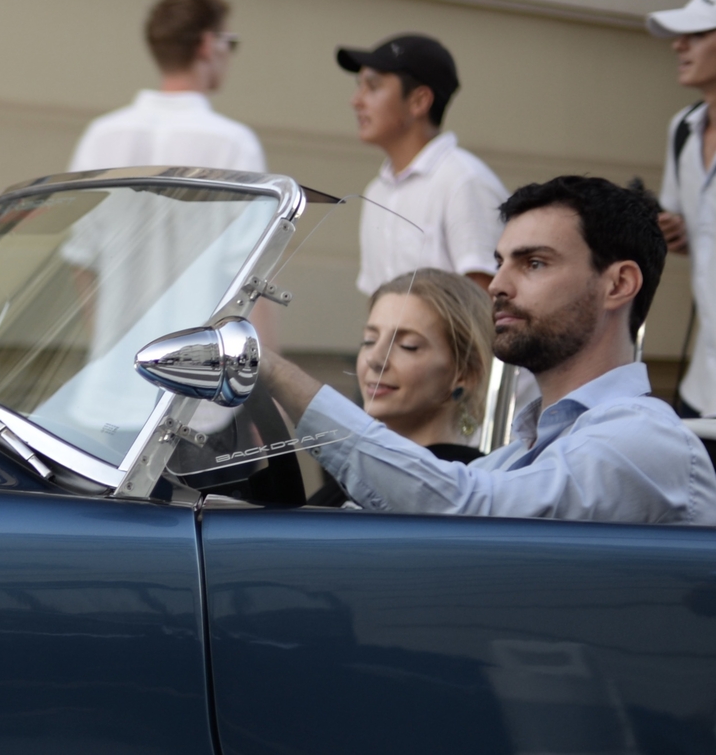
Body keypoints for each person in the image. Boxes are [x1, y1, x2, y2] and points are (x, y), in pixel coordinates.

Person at [260, 176, 716, 524]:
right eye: (500, 263)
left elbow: (468, 508)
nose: (497, 285)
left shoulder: (645, 439)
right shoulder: (519, 453)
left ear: (619, 284)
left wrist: (275, 373)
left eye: (534, 263)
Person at [306, 270, 492, 509]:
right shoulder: (349, 478)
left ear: (465, 372)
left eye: (408, 346)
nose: (375, 359)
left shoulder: (466, 491)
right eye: (369, 340)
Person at [338, 34, 506, 293]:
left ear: (419, 101)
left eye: (372, 87)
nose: (356, 100)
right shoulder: (376, 191)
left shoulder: (464, 181)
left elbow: (486, 301)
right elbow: (378, 303)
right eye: (358, 86)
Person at [67, 0, 264, 173]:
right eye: (230, 42)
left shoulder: (101, 134)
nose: (230, 54)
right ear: (207, 44)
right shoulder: (234, 142)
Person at [648, 0, 716, 414]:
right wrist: (677, 233)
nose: (679, 45)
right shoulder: (682, 129)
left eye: (696, 34)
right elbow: (692, 231)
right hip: (702, 383)